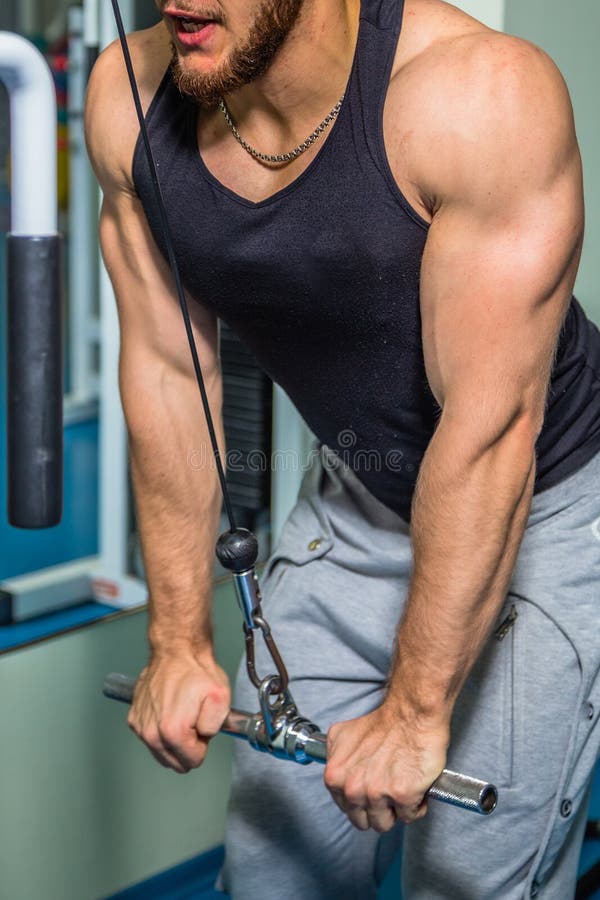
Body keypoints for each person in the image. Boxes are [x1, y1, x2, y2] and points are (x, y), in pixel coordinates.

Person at [85, 0, 600, 896]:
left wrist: (415, 710)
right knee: (273, 866)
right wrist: (176, 639)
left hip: (540, 511)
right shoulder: (128, 98)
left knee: (463, 878)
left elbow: (489, 435)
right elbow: (171, 375)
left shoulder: (479, 100)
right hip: (359, 499)